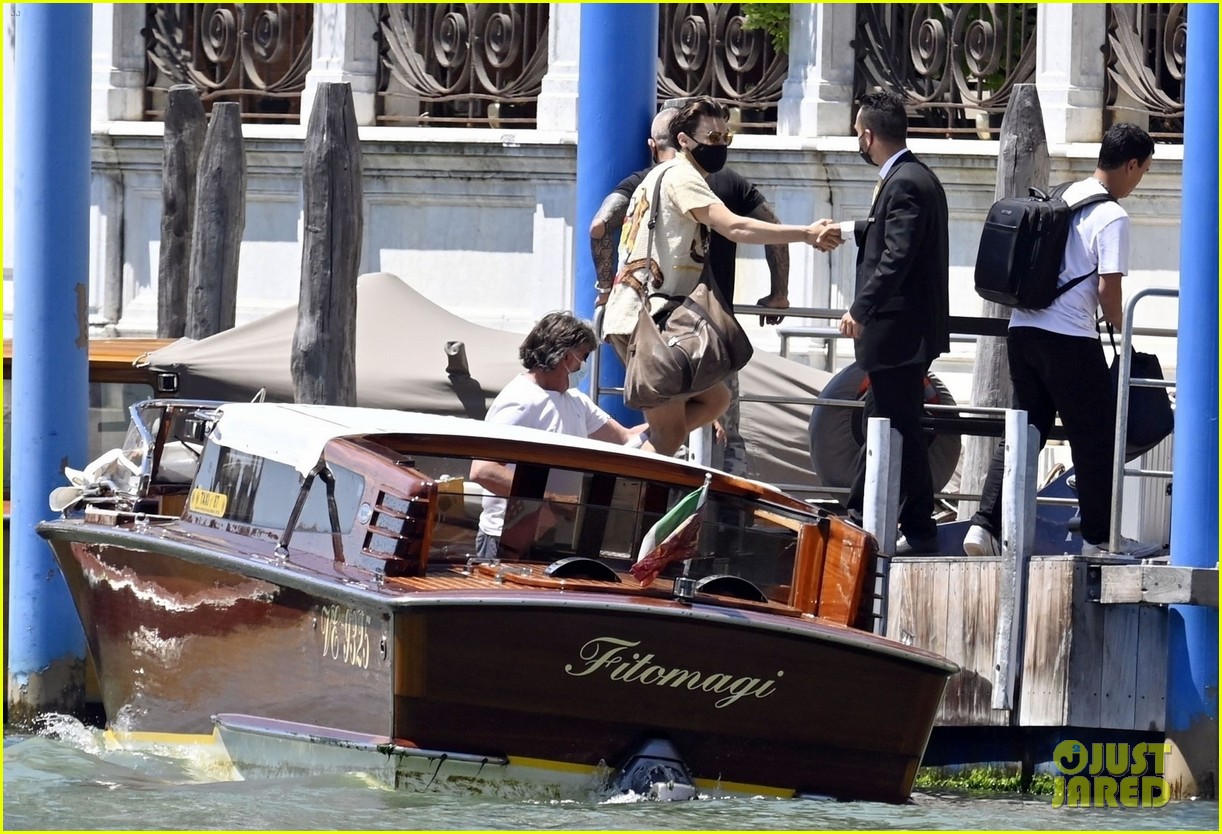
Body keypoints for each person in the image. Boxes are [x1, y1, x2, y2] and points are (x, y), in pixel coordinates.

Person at [963, 123, 1158, 559]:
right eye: (1142, 170)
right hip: (1069, 338)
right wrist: (1119, 333)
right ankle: (1098, 539)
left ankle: (983, 525)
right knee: (1094, 437)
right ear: (1130, 165)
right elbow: (1109, 288)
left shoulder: (1064, 194)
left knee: (1024, 430)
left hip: (1022, 331)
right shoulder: (1113, 217)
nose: (1139, 179)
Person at [600, 96, 835, 457]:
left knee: (716, 399)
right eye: (712, 139)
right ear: (683, 141)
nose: (720, 146)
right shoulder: (682, 177)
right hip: (648, 321)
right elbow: (736, 228)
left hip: (644, 316)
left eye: (726, 138)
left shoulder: (659, 176)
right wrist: (805, 233)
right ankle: (632, 490)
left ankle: (638, 446)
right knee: (669, 438)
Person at [816, 90, 950, 556]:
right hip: (902, 333)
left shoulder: (906, 182)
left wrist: (861, 308)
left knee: (898, 424)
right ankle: (897, 518)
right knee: (890, 420)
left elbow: (897, 256)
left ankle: (900, 519)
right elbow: (887, 231)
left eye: (857, 133)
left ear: (869, 135)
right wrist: (850, 229)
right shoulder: (909, 177)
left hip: (899, 332)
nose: (858, 141)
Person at [469, 311, 651, 560]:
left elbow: (626, 437)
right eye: (583, 357)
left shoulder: (576, 401)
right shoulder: (519, 401)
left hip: (556, 539)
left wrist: (677, 420)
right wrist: (547, 500)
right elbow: (483, 470)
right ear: (565, 356)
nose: (584, 367)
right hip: (508, 541)